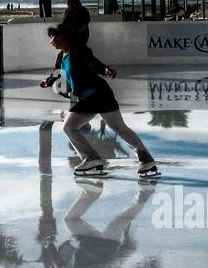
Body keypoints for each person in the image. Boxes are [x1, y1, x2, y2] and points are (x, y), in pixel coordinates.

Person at [39, 25, 157, 178]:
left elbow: (92, 63)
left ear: (62, 37)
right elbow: (57, 72)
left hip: (96, 94)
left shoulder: (79, 50)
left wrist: (105, 70)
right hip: (98, 95)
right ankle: (146, 159)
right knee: (118, 127)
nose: (51, 41)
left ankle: (92, 159)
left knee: (69, 126)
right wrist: (48, 81)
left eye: (53, 37)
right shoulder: (62, 56)